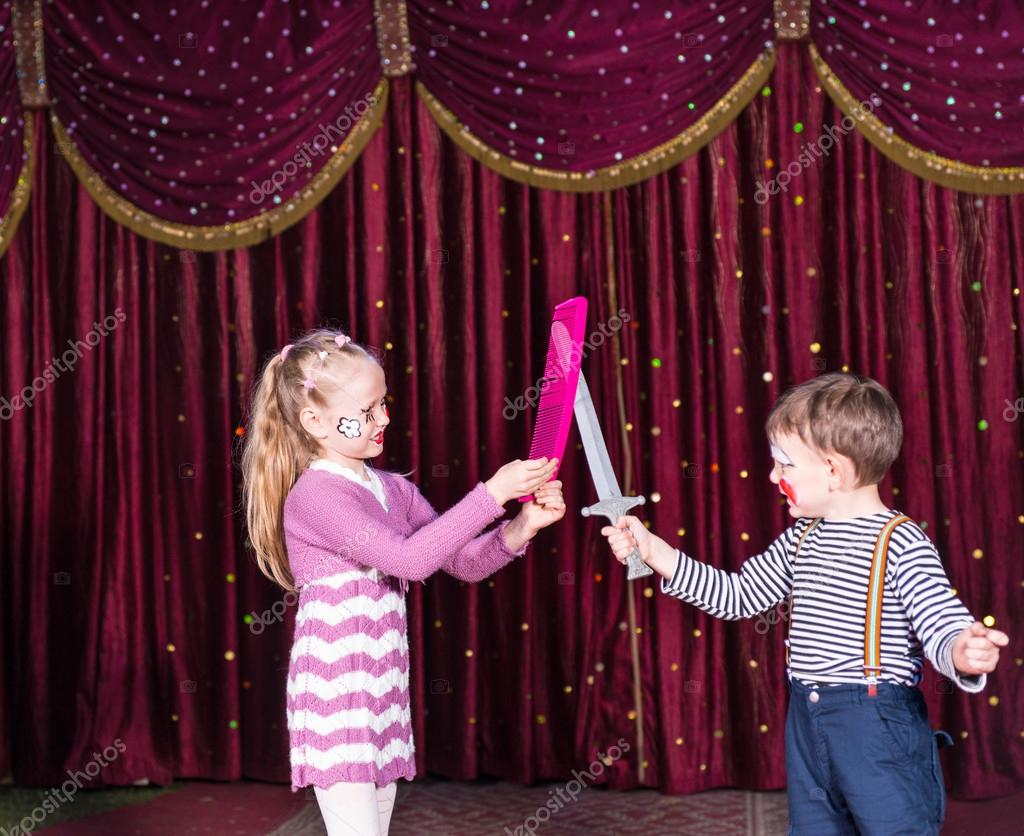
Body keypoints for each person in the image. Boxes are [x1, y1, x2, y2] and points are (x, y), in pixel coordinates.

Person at [602, 372, 1008, 835]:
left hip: (875, 726)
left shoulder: (899, 541)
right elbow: (738, 595)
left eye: (784, 465)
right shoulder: (801, 537)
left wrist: (960, 649)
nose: (773, 476)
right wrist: (656, 552)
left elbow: (938, 616)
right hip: (808, 720)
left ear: (834, 470)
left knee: (896, 827)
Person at [240, 328, 566, 835]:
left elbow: (461, 562)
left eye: (383, 404)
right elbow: (408, 561)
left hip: (382, 695)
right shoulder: (316, 497)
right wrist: (492, 493)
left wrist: (522, 525)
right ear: (314, 422)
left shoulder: (394, 490)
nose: (384, 419)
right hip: (337, 698)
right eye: (367, 411)